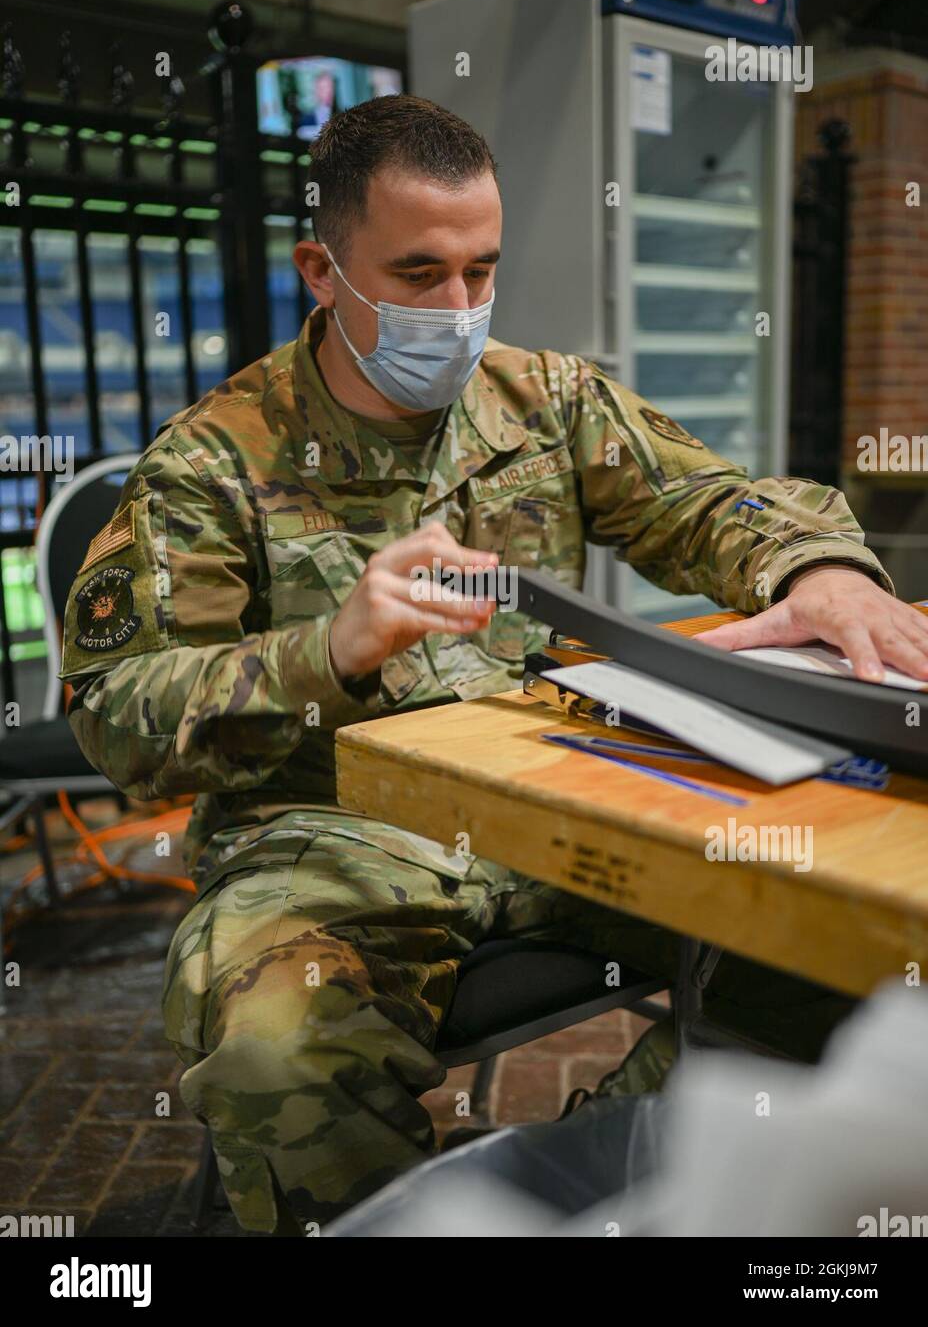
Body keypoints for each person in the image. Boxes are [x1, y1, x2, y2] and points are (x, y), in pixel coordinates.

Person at [59, 95, 928, 1236]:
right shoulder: (213, 463)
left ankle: (599, 1177)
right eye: (418, 274)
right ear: (321, 270)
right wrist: (326, 652)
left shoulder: (546, 401)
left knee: (848, 945)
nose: (459, 310)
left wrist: (817, 569)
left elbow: (708, 503)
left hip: (550, 795)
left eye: (482, 271)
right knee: (281, 1058)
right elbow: (118, 717)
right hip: (331, 831)